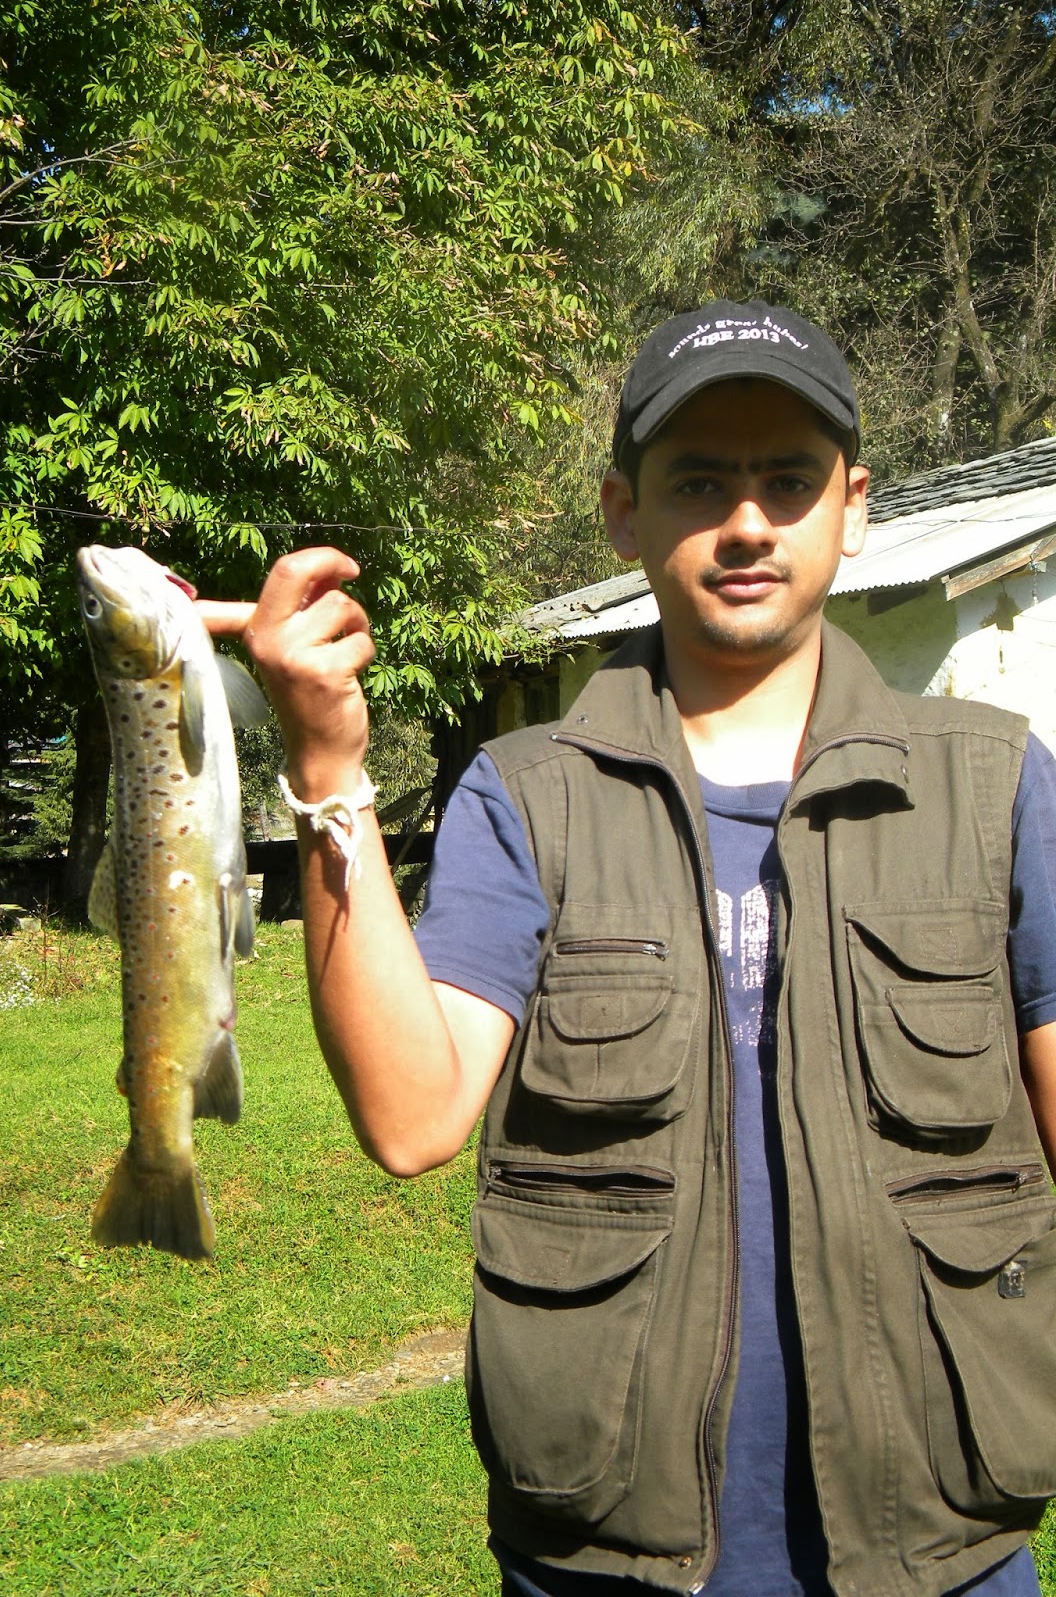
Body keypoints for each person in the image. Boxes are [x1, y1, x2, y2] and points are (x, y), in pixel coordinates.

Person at [204, 300, 1056, 1596]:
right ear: (624, 513)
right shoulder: (524, 794)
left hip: (947, 1549)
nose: (751, 520)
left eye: (789, 478)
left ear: (855, 506)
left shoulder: (998, 786)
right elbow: (411, 1115)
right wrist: (327, 764)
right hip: (605, 1553)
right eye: (701, 481)